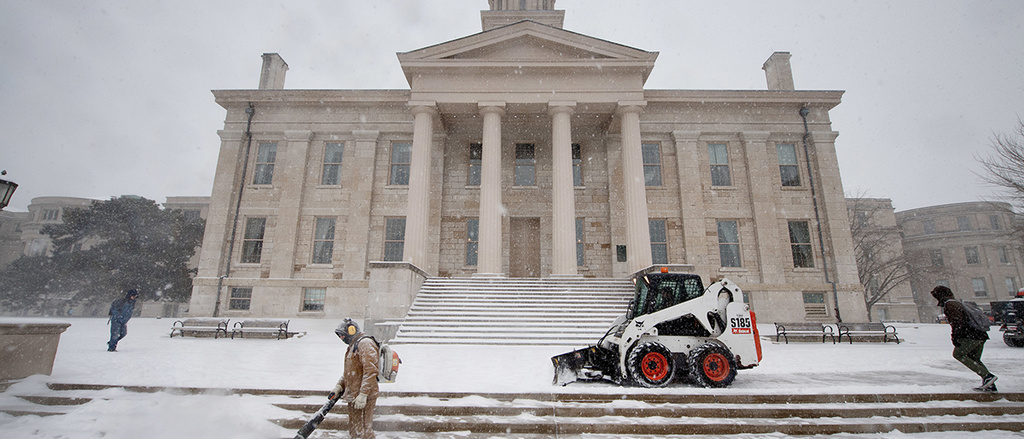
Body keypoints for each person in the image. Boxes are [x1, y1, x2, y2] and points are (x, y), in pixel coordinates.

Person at [931, 285, 997, 391]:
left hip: (970, 335)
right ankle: (990, 383)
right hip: (980, 334)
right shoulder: (957, 302)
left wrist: (955, 337)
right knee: (973, 358)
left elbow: (957, 322)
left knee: (959, 354)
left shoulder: (950, 304)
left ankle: (987, 377)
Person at [329, 318, 379, 439]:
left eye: (343, 335)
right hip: (354, 395)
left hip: (364, 397)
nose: (342, 339)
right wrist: (339, 386)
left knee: (364, 431)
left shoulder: (365, 343)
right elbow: (350, 373)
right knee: (356, 430)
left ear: (352, 331)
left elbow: (371, 371)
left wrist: (363, 394)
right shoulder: (353, 346)